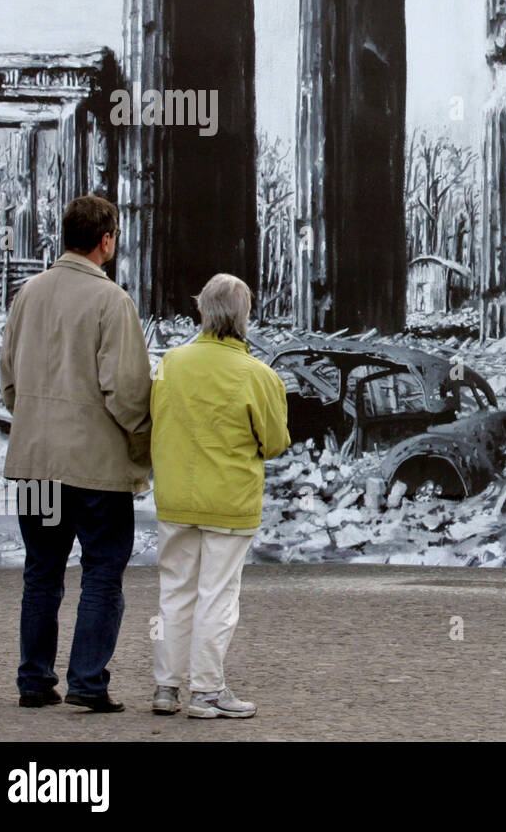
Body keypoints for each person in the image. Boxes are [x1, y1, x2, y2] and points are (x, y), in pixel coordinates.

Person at [0, 194, 153, 713]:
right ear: (106, 241)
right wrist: (141, 447)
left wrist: (34, 425)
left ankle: (34, 681)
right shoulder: (112, 301)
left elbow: (9, 380)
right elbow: (126, 392)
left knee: (42, 570)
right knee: (102, 570)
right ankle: (87, 682)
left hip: (37, 468)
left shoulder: (27, 294)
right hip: (96, 471)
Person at [150, 273, 289, 719]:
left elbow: (152, 420)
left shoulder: (171, 363)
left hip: (175, 496)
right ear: (244, 316)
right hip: (229, 501)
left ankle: (166, 688)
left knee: (175, 592)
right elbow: (275, 442)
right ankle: (207, 692)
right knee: (218, 596)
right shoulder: (259, 375)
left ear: (202, 311)